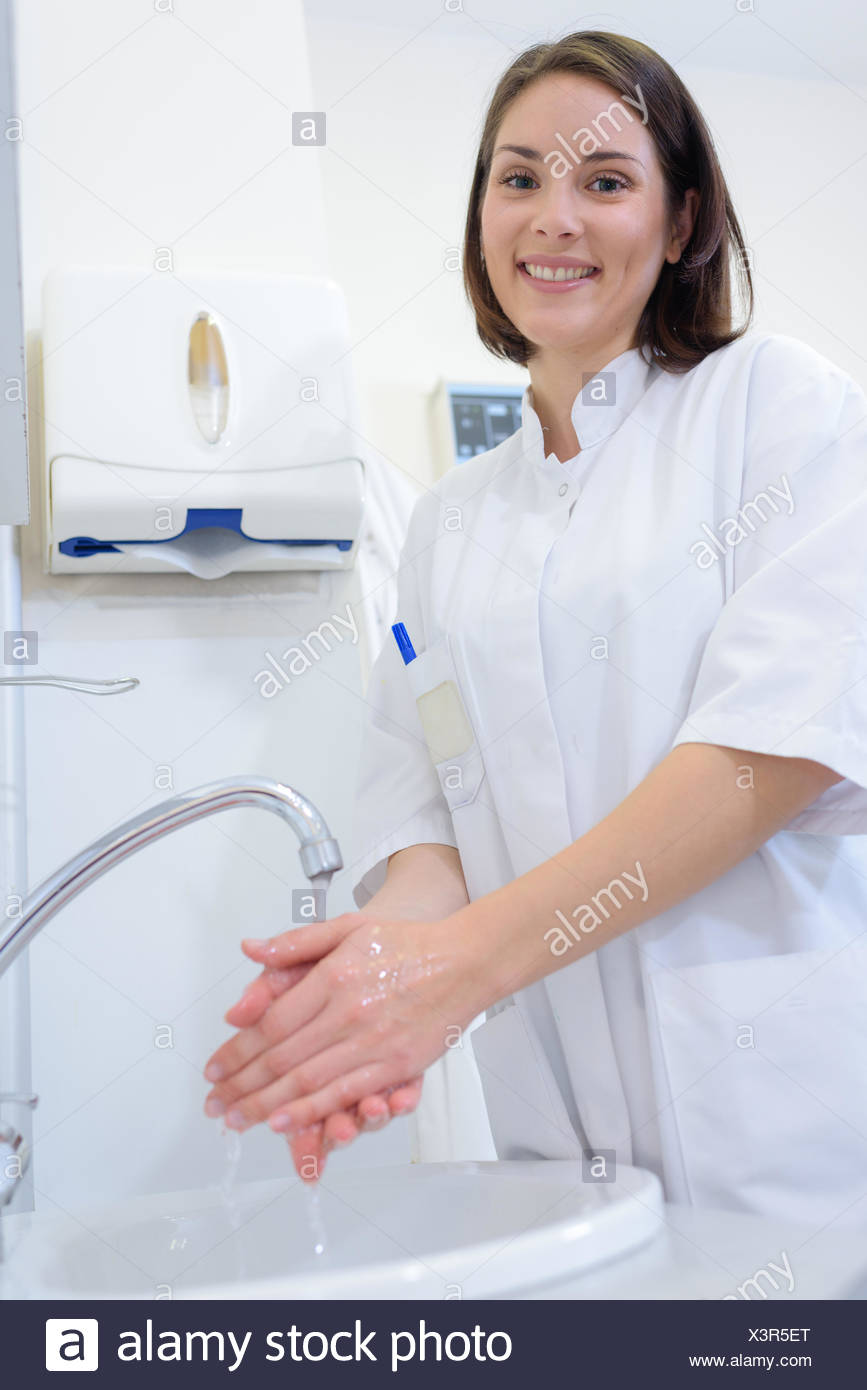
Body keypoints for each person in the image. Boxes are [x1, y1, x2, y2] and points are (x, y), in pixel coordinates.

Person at [203, 31, 867, 1231]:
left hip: (784, 1133)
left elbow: (776, 748)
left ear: (680, 224)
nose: (553, 217)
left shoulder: (777, 406)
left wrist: (463, 970)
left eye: (605, 181)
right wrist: (371, 990)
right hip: (558, 1156)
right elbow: (429, 825)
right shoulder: (451, 525)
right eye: (518, 179)